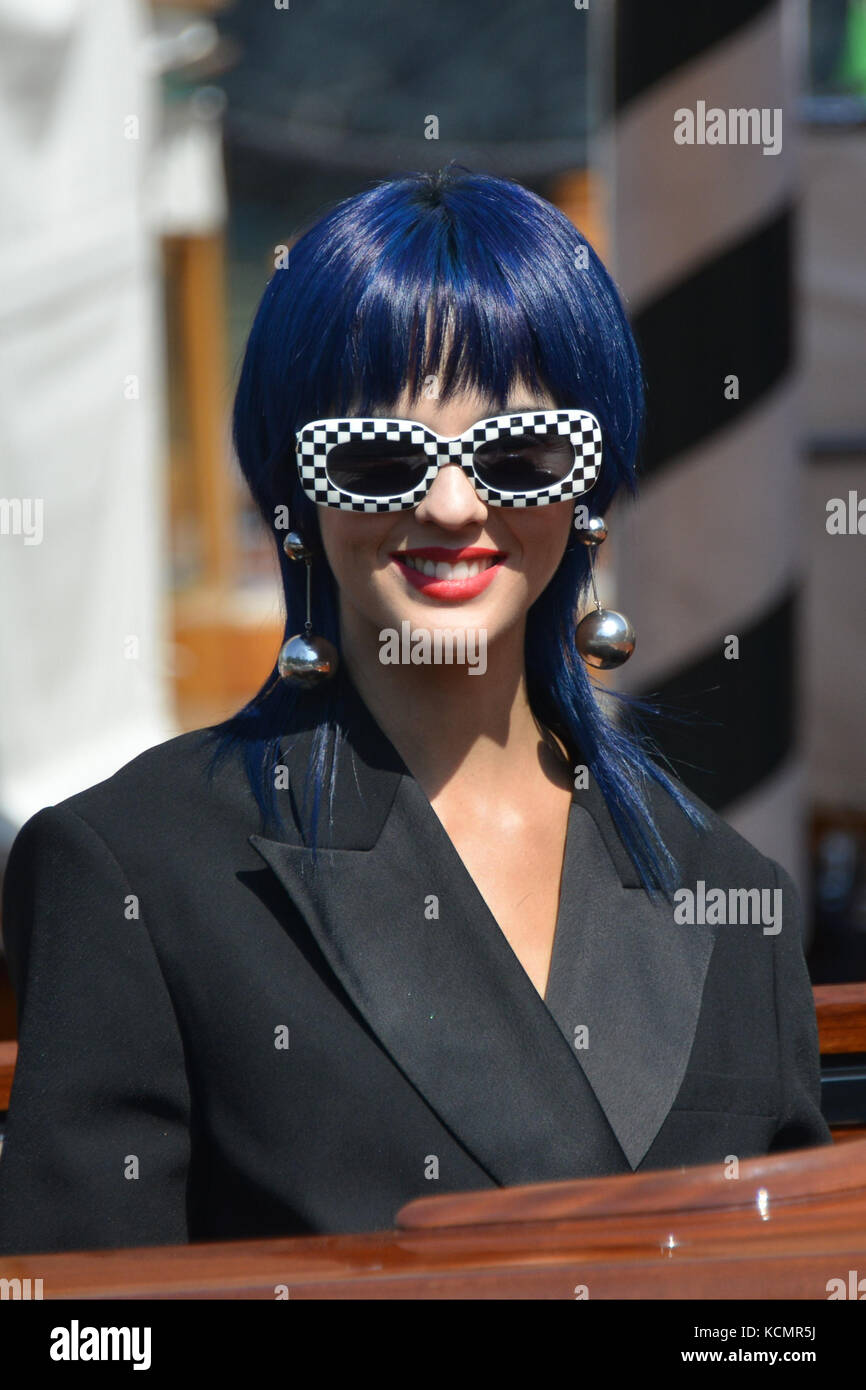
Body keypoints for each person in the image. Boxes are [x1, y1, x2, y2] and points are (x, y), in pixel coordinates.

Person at [0, 165, 831, 1256]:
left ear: (589, 492)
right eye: (379, 459)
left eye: (521, 455)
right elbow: (81, 1325)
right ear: (294, 496)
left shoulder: (729, 897)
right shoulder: (134, 871)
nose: (451, 504)